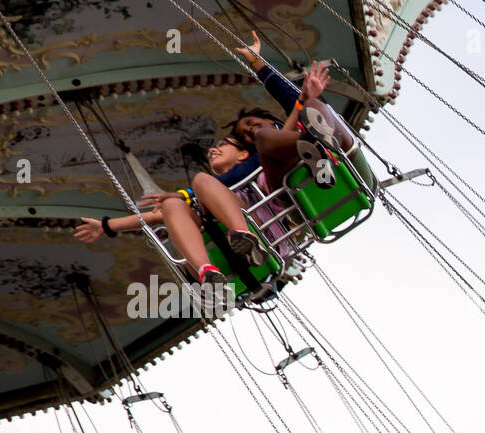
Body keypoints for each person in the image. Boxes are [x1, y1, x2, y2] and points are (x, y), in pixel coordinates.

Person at [73, 134, 267, 292]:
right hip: (216, 240)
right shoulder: (203, 193)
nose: (212, 150)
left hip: (260, 230)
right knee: (172, 205)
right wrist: (106, 226)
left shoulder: (256, 175)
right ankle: (205, 270)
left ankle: (246, 238)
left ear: (242, 154)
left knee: (201, 180)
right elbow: (158, 216)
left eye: (224, 144)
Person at [229, 32, 357, 193]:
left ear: (269, 119)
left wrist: (255, 61)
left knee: (312, 103)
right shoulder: (261, 158)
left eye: (249, 123)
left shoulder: (299, 124)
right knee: (264, 137)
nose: (249, 130)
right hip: (288, 183)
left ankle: (323, 148)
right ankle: (318, 147)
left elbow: (284, 93)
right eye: (243, 136)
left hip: (338, 153)